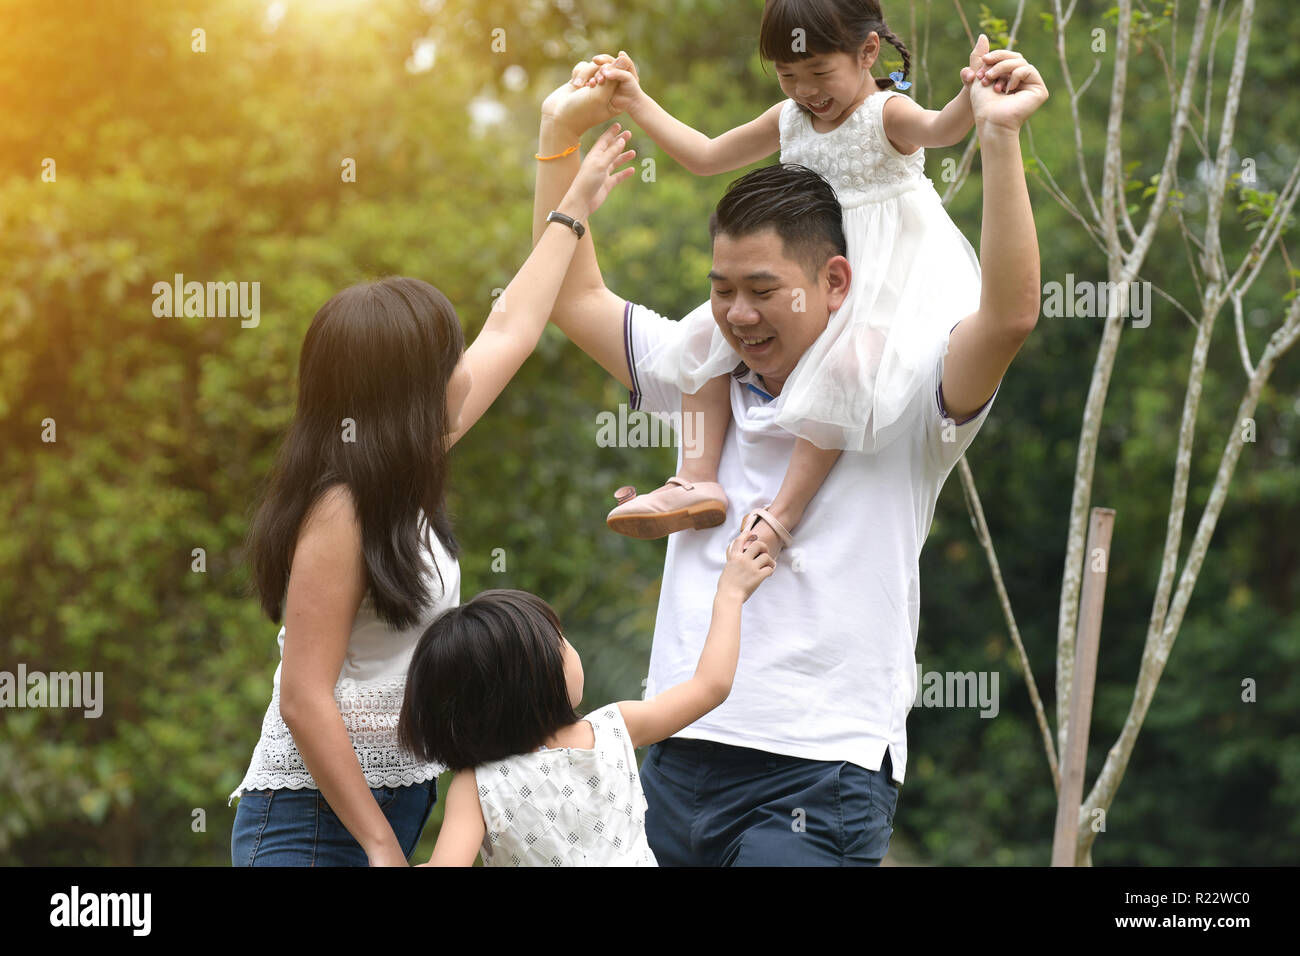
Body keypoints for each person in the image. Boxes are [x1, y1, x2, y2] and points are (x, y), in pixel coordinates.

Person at [531, 39, 1047, 865]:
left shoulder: (904, 397)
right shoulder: (703, 384)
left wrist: (998, 139)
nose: (738, 315)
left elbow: (1010, 317)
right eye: (722, 289)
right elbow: (570, 293)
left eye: (764, 291)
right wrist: (557, 136)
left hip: (818, 773)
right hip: (671, 759)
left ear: (836, 282)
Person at [227, 124, 637, 866]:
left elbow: (512, 326)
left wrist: (573, 206)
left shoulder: (401, 470)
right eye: (449, 361)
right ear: (406, 393)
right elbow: (303, 696)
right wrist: (381, 847)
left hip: (391, 806)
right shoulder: (341, 508)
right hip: (314, 824)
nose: (465, 369)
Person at [594, 1, 987, 565]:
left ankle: (782, 515)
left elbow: (944, 128)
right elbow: (707, 157)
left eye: (819, 73)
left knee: (848, 365)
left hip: (880, 281)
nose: (805, 90)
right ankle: (695, 478)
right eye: (788, 76)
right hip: (799, 273)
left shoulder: (886, 114)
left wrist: (974, 91)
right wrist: (636, 101)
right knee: (707, 333)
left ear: (867, 51)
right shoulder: (789, 119)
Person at [399, 534, 774, 866]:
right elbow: (711, 686)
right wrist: (731, 593)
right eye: (561, 642)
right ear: (539, 677)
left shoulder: (477, 783)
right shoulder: (614, 728)